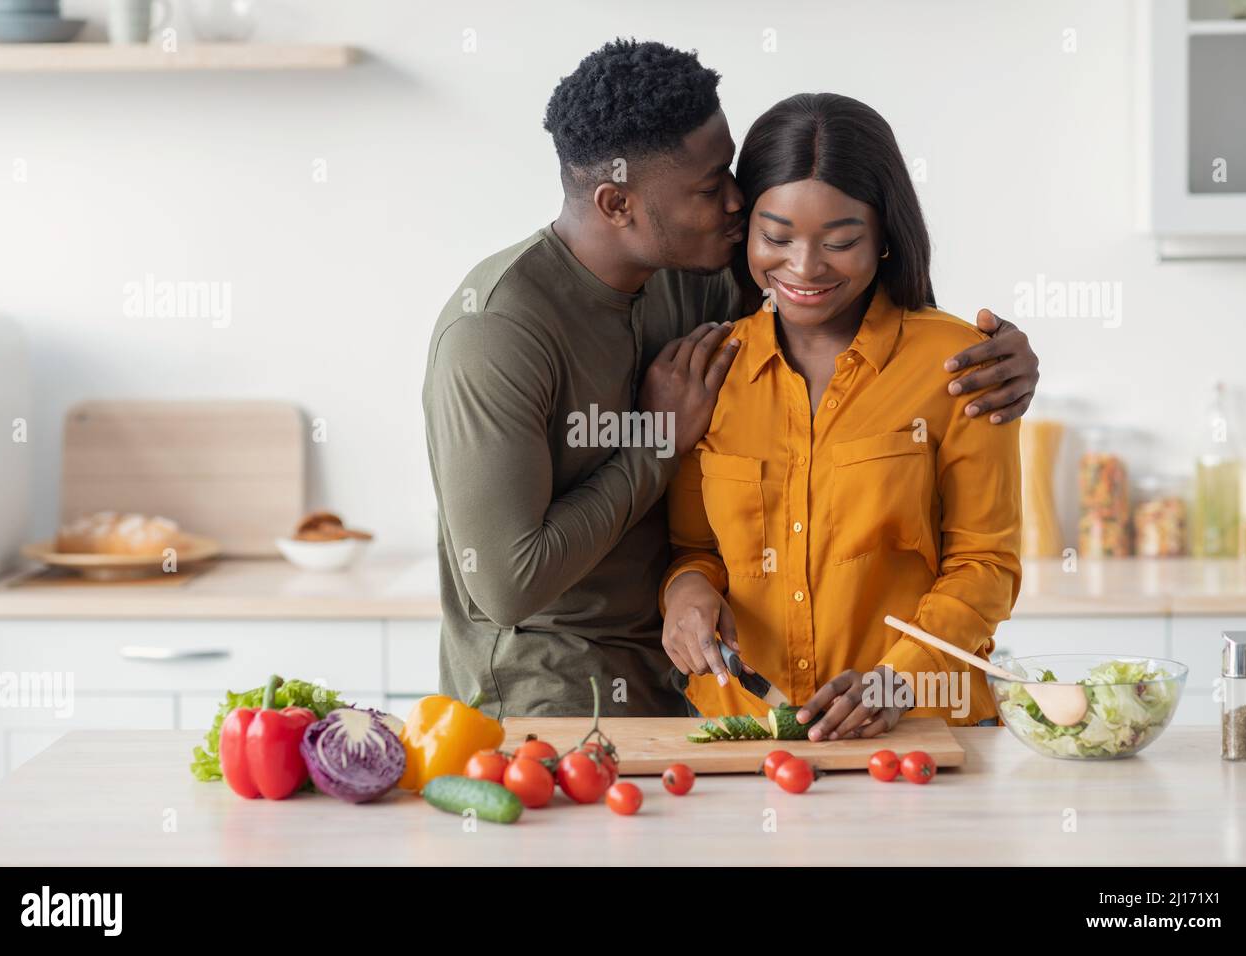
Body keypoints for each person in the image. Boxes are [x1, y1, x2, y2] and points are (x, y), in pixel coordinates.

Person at [423, 40, 1039, 718]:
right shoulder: (497, 331)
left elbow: (838, 318)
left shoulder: (705, 282)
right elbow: (510, 585)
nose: (737, 203)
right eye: (710, 188)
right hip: (552, 680)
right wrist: (658, 441)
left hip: (692, 682)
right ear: (617, 203)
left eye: (731, 174)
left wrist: (1010, 360)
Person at [662, 93, 1022, 735]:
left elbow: (986, 564)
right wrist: (686, 592)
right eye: (776, 237)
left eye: (841, 241)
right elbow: (696, 548)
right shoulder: (713, 370)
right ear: (745, 229)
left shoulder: (962, 365)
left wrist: (902, 678)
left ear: (885, 237)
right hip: (745, 733)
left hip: (924, 733)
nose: (803, 268)